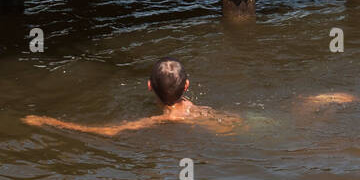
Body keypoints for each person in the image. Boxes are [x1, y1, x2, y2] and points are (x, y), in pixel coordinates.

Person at [23, 57, 239, 135]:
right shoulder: (196, 109)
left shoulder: (165, 119)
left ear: (149, 86)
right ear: (187, 86)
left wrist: (47, 121)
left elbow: (107, 131)